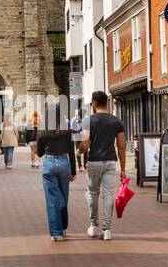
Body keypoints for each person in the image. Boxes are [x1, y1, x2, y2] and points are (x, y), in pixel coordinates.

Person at [79, 91, 126, 241]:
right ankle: (107, 230)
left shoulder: (88, 121)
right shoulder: (116, 121)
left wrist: (78, 151)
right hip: (111, 161)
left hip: (94, 161)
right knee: (108, 194)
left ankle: (93, 226)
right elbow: (121, 146)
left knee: (92, 194)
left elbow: (85, 144)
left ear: (93, 103)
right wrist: (123, 169)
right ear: (106, 102)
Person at [36, 128, 77, 241]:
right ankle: (63, 227)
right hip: (64, 163)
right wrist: (73, 171)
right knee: (64, 196)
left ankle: (56, 233)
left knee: (52, 199)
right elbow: (71, 152)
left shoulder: (42, 131)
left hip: (49, 163)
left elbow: (39, 153)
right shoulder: (68, 131)